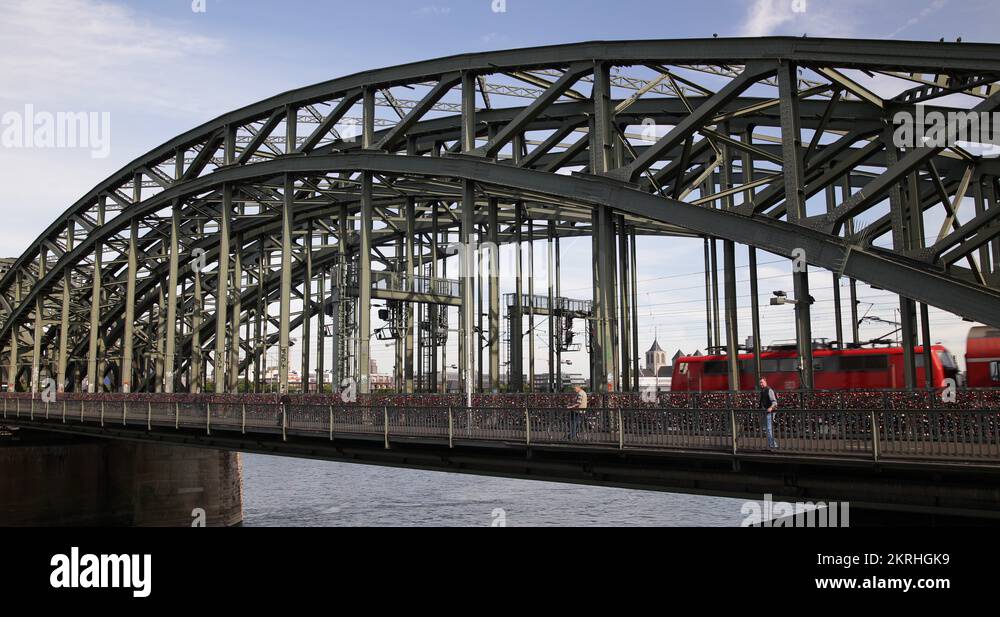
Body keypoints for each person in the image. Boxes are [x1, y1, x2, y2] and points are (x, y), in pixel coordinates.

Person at [759, 378, 778, 449]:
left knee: (768, 428)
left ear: (765, 382)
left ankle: (773, 444)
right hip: (765, 412)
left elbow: (774, 402)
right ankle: (771, 444)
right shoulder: (763, 391)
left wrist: (770, 408)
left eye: (762, 382)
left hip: (770, 411)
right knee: (766, 428)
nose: (761, 384)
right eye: (760, 383)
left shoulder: (769, 390)